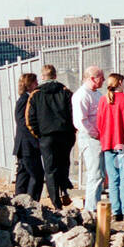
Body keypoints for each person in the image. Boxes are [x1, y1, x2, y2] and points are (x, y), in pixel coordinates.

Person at [26, 64, 76, 208]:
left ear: (42, 77)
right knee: (64, 163)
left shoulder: (36, 94)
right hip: (65, 135)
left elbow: (30, 118)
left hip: (46, 137)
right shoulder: (66, 92)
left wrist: (38, 134)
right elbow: (73, 114)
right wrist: (72, 131)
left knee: (50, 169)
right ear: (55, 76)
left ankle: (56, 202)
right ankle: (64, 190)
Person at [96, 73, 124, 221]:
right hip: (123, 143)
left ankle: (116, 211)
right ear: (120, 82)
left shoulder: (103, 100)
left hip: (108, 143)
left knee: (113, 179)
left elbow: (99, 123)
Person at [72, 66, 105, 211]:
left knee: (99, 175)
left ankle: (95, 205)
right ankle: (91, 209)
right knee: (95, 174)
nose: (103, 80)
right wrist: (96, 133)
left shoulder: (96, 94)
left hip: (98, 137)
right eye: (101, 77)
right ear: (92, 78)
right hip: (91, 139)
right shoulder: (82, 95)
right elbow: (81, 121)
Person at [12, 72, 44, 201]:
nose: (37, 85)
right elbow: (23, 123)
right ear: (29, 84)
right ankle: (31, 202)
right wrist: (36, 141)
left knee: (23, 175)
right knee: (36, 175)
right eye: (35, 82)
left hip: (26, 145)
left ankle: (19, 201)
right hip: (27, 145)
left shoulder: (27, 98)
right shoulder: (24, 100)